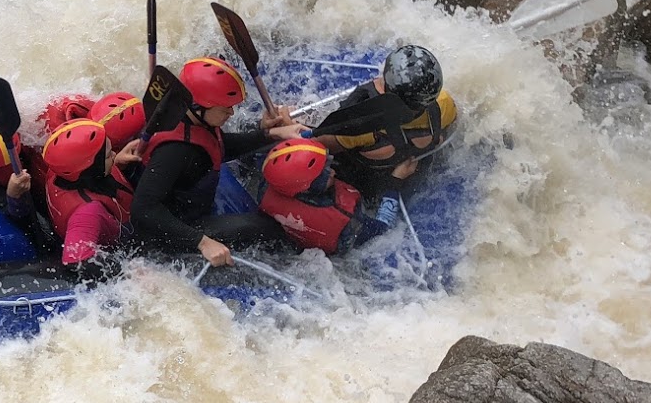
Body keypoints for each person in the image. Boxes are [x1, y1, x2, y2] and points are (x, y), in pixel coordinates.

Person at [130, 57, 307, 267]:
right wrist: (202, 242)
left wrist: (270, 134)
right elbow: (143, 209)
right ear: (198, 106)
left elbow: (220, 145)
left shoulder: (193, 119)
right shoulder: (174, 151)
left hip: (185, 206)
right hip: (173, 232)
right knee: (269, 228)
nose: (231, 113)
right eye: (225, 109)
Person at [321, 45, 457, 194]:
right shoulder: (445, 104)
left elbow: (320, 146)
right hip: (411, 171)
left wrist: (290, 124)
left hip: (365, 183)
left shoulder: (360, 125)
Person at [257, 138, 400, 255]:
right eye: (325, 174)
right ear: (308, 188)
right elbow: (382, 229)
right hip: (336, 239)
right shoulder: (347, 219)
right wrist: (395, 182)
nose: (332, 172)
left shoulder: (267, 184)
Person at [40, 119, 140, 272]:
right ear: (90, 168)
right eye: (108, 155)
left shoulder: (62, 170)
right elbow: (75, 260)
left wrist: (117, 162)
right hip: (122, 248)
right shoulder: (87, 213)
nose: (114, 154)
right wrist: (128, 271)